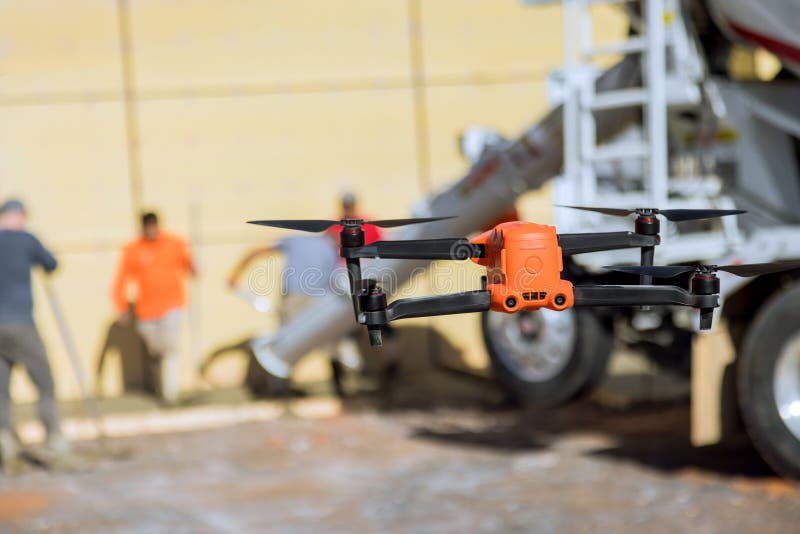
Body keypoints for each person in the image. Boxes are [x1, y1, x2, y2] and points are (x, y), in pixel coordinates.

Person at [0, 199, 66, 471]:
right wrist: (45, 250)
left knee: (1, 390)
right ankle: (54, 441)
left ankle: (5, 441)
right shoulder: (27, 239)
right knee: (45, 382)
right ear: (17, 216)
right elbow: (51, 265)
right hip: (21, 324)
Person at [112, 212, 195, 404]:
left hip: (173, 305)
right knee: (156, 350)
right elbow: (121, 279)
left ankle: (170, 395)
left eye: (154, 226)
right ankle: (160, 387)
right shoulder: (133, 249)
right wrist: (121, 305)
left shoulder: (174, 243)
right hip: (147, 311)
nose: (152, 230)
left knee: (171, 348)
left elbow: (188, 266)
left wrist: (194, 265)